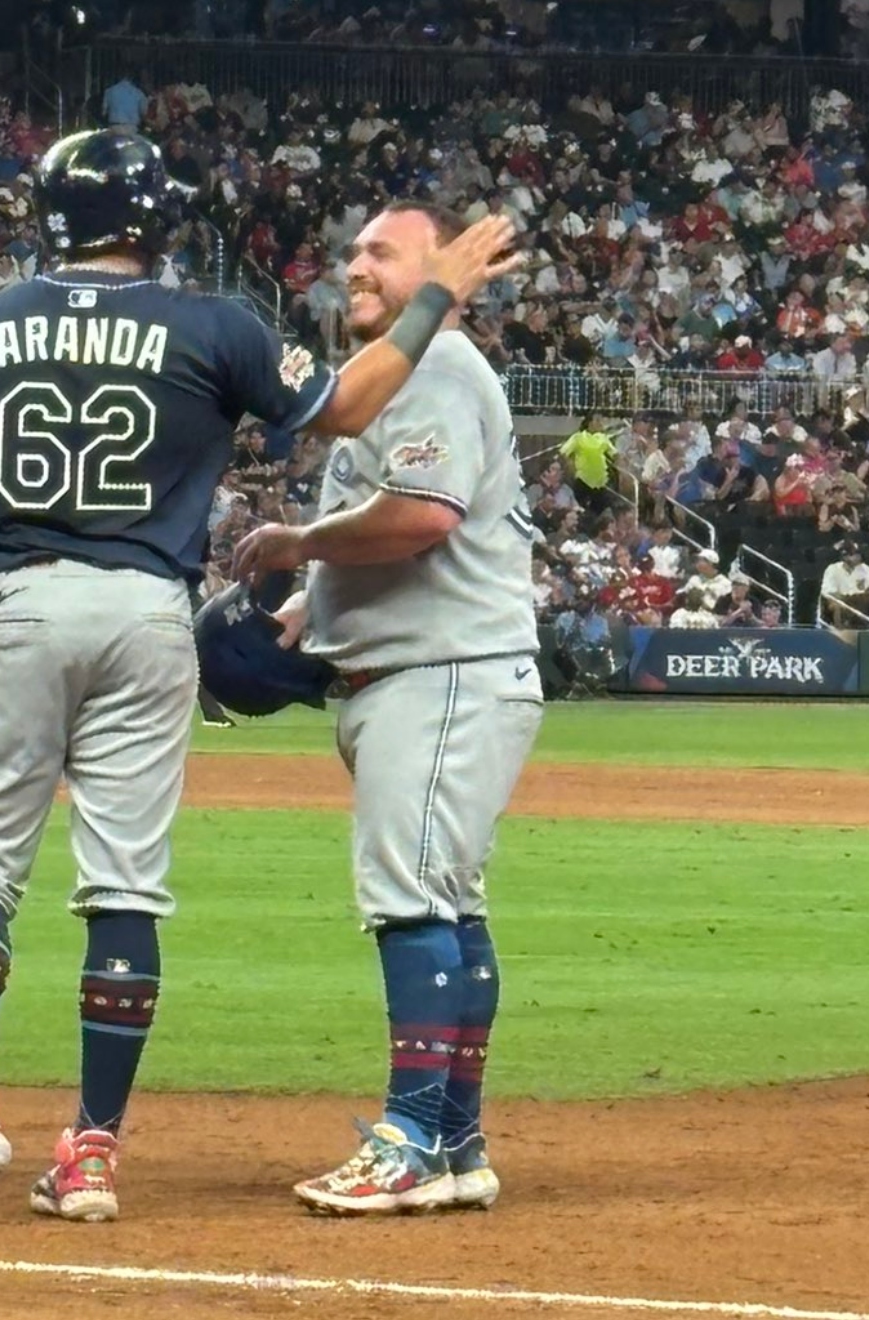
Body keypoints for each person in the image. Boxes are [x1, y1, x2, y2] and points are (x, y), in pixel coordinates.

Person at [0, 129, 520, 1224]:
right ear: (155, 220)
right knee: (125, 883)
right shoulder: (215, 321)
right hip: (149, 612)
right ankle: (93, 1154)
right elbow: (345, 406)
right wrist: (435, 299)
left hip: (17, 602)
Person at [232, 200, 542, 1215]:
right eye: (351, 249)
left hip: (440, 674)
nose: (353, 265)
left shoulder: (438, 366)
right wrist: (310, 599)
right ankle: (455, 1141)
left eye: (380, 252)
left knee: (412, 901)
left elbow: (419, 517)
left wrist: (294, 542)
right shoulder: (419, 373)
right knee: (448, 902)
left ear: (443, 268)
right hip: (436, 668)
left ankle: (410, 1137)